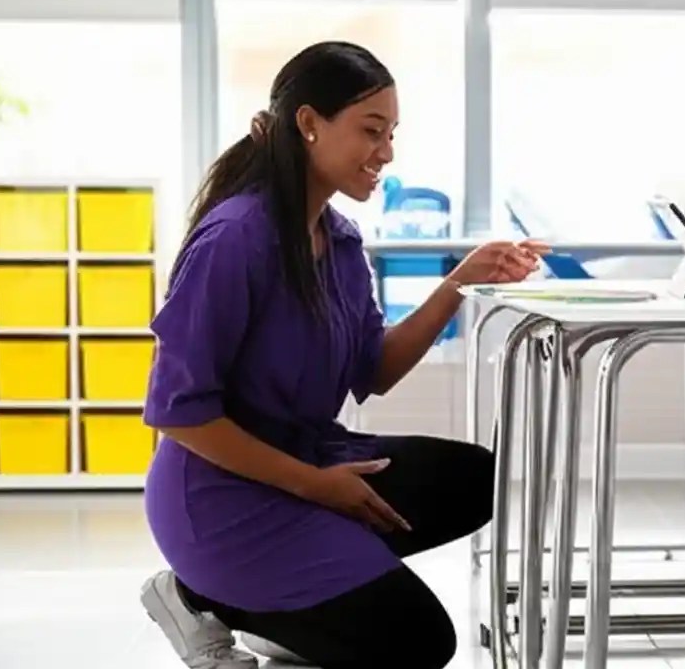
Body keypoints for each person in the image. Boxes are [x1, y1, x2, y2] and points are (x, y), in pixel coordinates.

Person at [137, 41, 547, 669]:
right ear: (308, 124)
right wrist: (317, 487)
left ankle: (299, 610)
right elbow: (178, 414)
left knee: (473, 479)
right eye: (371, 131)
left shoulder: (341, 240)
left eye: (391, 133)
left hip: (307, 463)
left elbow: (373, 371)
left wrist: (459, 282)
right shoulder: (235, 239)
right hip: (220, 500)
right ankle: (202, 595)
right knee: (420, 644)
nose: (386, 152)